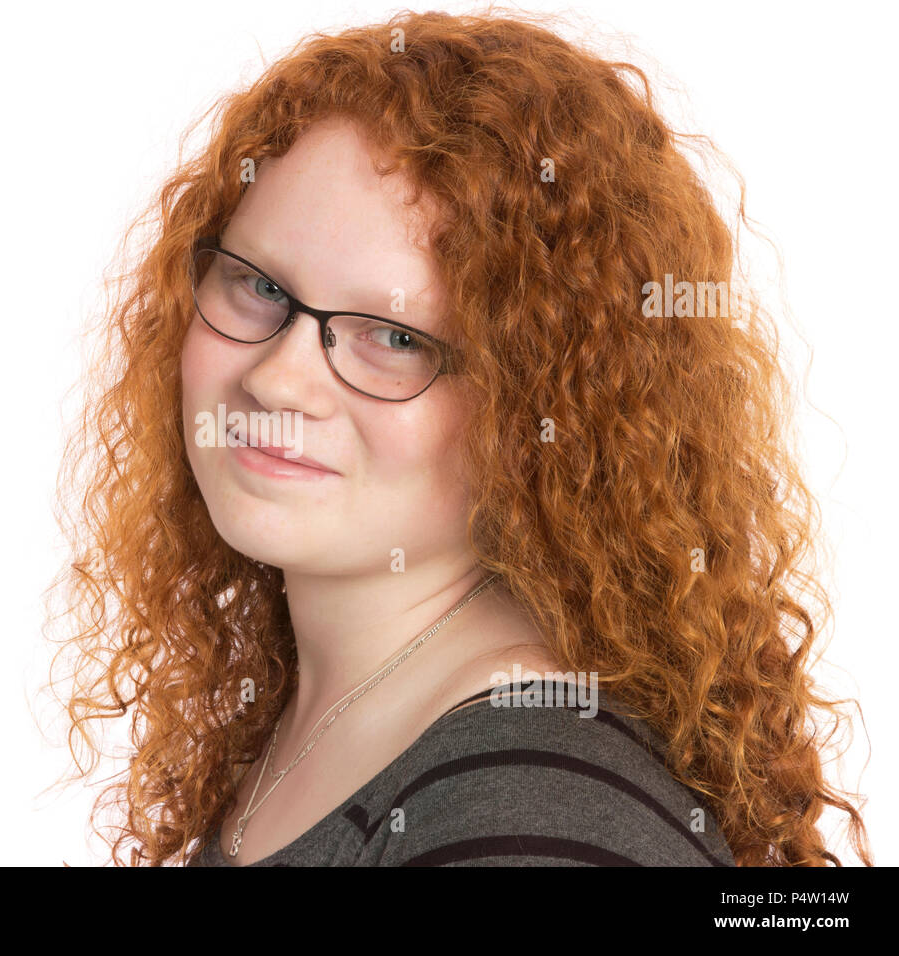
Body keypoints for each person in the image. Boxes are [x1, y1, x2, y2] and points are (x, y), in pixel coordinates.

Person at [44, 9, 872, 867]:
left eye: (395, 337)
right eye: (258, 285)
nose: (277, 379)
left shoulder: (531, 817)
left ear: (537, 409)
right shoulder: (324, 724)